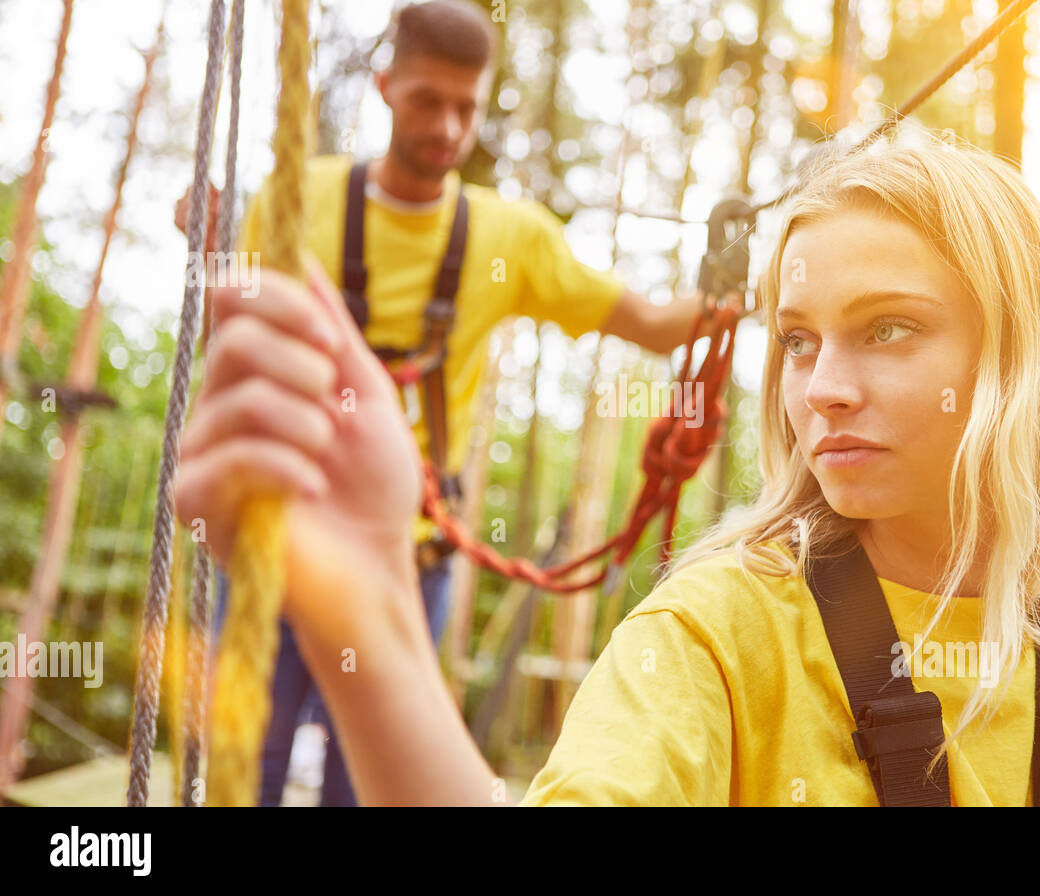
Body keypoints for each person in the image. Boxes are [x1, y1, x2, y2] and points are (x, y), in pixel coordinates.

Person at [176, 130, 1040, 806]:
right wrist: (362, 593)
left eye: (887, 328)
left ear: (1024, 355)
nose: (821, 388)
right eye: (798, 339)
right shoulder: (721, 629)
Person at [180, 0, 707, 806]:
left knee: (366, 789)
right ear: (386, 87)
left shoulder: (513, 238)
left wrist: (739, 291)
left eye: (468, 106)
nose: (451, 126)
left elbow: (652, 325)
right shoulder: (298, 198)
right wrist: (210, 236)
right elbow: (244, 317)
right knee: (241, 768)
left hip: (410, 558)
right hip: (278, 538)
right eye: (428, 99)